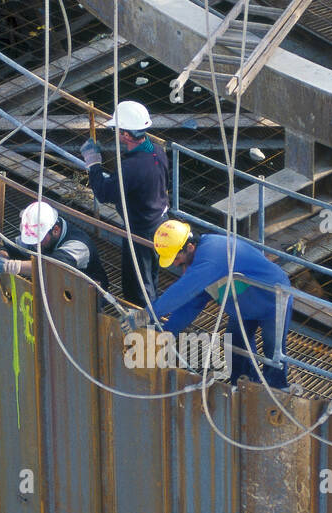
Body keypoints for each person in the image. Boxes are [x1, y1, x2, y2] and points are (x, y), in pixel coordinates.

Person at [148, 220, 295, 390]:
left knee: (273, 351)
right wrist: (166, 332)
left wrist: (147, 314)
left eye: (176, 257)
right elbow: (191, 305)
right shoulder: (201, 262)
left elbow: (181, 292)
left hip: (273, 300)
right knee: (235, 343)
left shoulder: (211, 258)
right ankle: (244, 385)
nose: (175, 264)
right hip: (243, 305)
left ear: (190, 247)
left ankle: (277, 392)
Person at [79, 100, 169, 308]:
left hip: (140, 230)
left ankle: (145, 324)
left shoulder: (131, 167)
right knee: (150, 275)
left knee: (138, 283)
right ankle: (151, 311)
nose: (116, 133)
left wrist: (93, 164)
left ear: (127, 135)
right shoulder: (157, 150)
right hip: (159, 221)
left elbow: (104, 192)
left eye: (118, 130)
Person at [0, 199, 109, 293]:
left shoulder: (79, 244)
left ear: (55, 230)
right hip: (57, 288)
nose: (34, 244)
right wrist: (0, 258)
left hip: (86, 295)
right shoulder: (39, 236)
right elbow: (9, 248)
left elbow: (51, 267)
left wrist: (11, 266)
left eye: (38, 240)